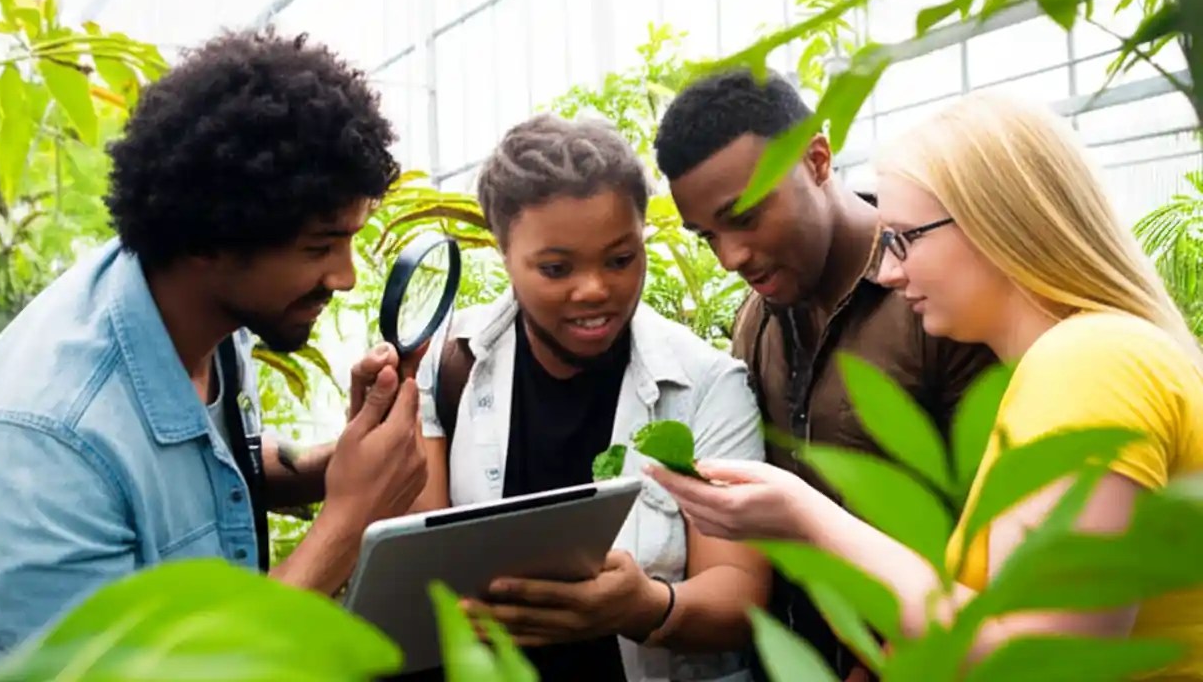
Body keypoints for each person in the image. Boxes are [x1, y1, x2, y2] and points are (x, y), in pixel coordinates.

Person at [648, 91, 1203, 679]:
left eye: (905, 238)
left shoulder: (1090, 363)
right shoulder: (1082, 359)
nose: (888, 270)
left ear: (998, 221)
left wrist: (803, 515)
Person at [0, 28, 427, 668]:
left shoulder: (198, 308)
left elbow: (209, 464)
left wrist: (344, 459)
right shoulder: (40, 443)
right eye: (318, 248)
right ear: (208, 239)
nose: (346, 276)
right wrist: (349, 521)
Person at [652, 69, 995, 677]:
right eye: (709, 236)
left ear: (816, 159)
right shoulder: (755, 323)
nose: (731, 257)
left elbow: (997, 528)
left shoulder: (938, 305)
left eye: (747, 216)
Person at [410, 114, 771, 681]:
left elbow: (740, 596)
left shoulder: (704, 387)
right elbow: (421, 572)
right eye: (556, 268)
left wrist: (647, 607)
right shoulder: (454, 365)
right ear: (504, 253)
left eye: (621, 259)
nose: (595, 289)